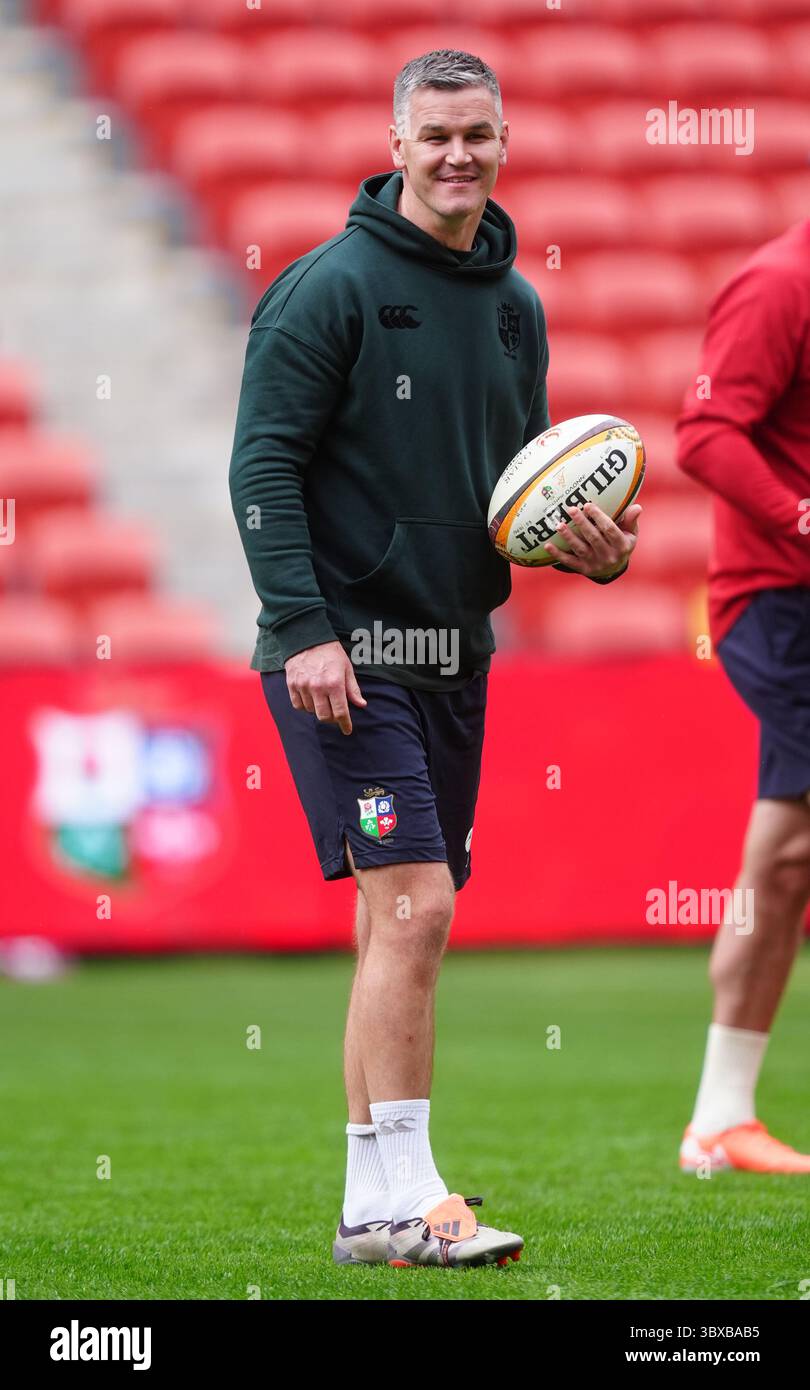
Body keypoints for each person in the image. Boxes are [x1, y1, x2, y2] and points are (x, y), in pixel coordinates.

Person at [229, 49, 640, 1267]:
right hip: (346, 655)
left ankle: (370, 1213)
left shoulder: (516, 307)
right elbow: (261, 469)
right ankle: (413, 1200)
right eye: (436, 134)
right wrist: (301, 627)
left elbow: (514, 495)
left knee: (391, 924)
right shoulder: (329, 288)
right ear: (396, 141)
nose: (458, 154)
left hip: (456, 649)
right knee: (418, 906)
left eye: (478, 133)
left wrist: (594, 552)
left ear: (504, 137)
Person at [676, 218, 810, 1174]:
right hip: (779, 601)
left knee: (787, 855)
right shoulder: (780, 284)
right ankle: (718, 1117)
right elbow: (705, 432)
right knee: (793, 846)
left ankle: (721, 1121)